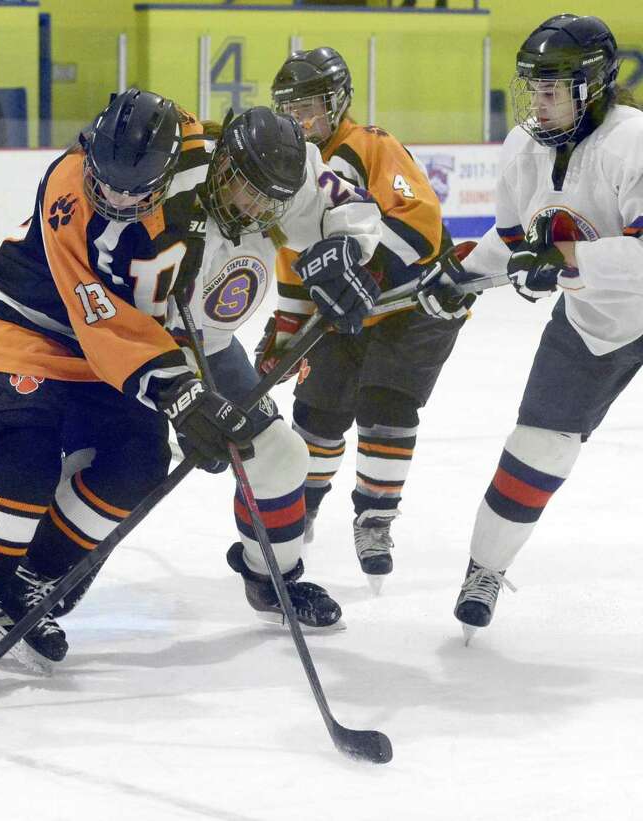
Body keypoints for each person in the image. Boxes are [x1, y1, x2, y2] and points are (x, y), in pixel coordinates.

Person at [0, 88, 254, 671]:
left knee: (138, 460)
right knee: (28, 456)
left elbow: (271, 187)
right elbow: (98, 316)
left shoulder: (203, 175)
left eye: (132, 190)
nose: (112, 197)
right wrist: (178, 391)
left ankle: (31, 580)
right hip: (29, 328)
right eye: (103, 181)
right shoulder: (66, 186)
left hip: (120, 343)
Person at [417, 14, 642, 640]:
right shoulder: (524, 149)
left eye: (553, 89)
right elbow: (514, 242)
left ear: (593, 86)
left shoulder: (634, 143)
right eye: (533, 89)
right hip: (595, 324)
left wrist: (567, 261)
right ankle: (485, 569)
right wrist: (460, 275)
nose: (538, 103)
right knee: (539, 445)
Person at [262, 46, 463, 591]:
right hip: (346, 308)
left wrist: (365, 269)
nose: (299, 121)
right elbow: (294, 261)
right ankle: (297, 512)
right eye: (290, 109)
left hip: (416, 300)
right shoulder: (289, 169)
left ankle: (374, 518)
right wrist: (285, 333)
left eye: (309, 108)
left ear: (337, 102)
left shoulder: (369, 145)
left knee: (385, 403)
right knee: (317, 412)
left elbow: (420, 226)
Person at [188, 106, 383, 626]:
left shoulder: (286, 179)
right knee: (111, 468)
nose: (254, 206)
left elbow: (352, 207)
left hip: (211, 347)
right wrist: (181, 399)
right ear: (223, 162)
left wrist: (342, 250)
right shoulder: (176, 181)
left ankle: (272, 576)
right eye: (246, 187)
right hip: (133, 350)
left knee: (279, 456)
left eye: (269, 198)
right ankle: (21, 580)